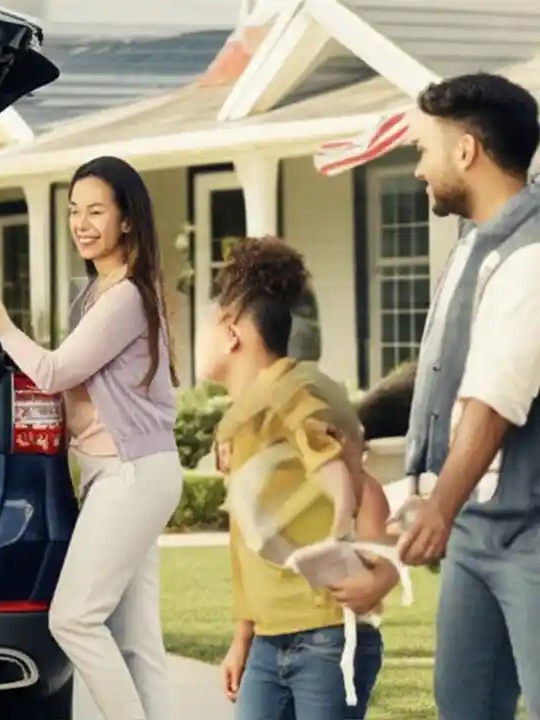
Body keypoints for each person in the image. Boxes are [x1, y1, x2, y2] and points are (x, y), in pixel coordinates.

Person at [0, 156, 181, 720]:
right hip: (129, 472)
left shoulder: (125, 297)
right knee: (136, 641)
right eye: (74, 211)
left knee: (74, 619)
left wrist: (3, 326)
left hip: (132, 473)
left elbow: (56, 373)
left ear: (126, 219)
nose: (81, 223)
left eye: (96, 211)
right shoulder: (100, 293)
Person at [197, 236, 401, 719]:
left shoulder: (294, 395)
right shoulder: (246, 419)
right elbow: (250, 538)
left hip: (325, 637)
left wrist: (381, 576)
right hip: (269, 641)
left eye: (204, 324)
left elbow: (364, 486)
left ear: (231, 331)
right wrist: (243, 635)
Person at [393, 72, 540, 718]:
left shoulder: (531, 256)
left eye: (424, 149)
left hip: (529, 533)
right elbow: (444, 372)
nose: (419, 169)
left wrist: (438, 509)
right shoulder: (474, 247)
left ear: (465, 151)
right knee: (465, 706)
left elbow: (493, 400)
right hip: (477, 528)